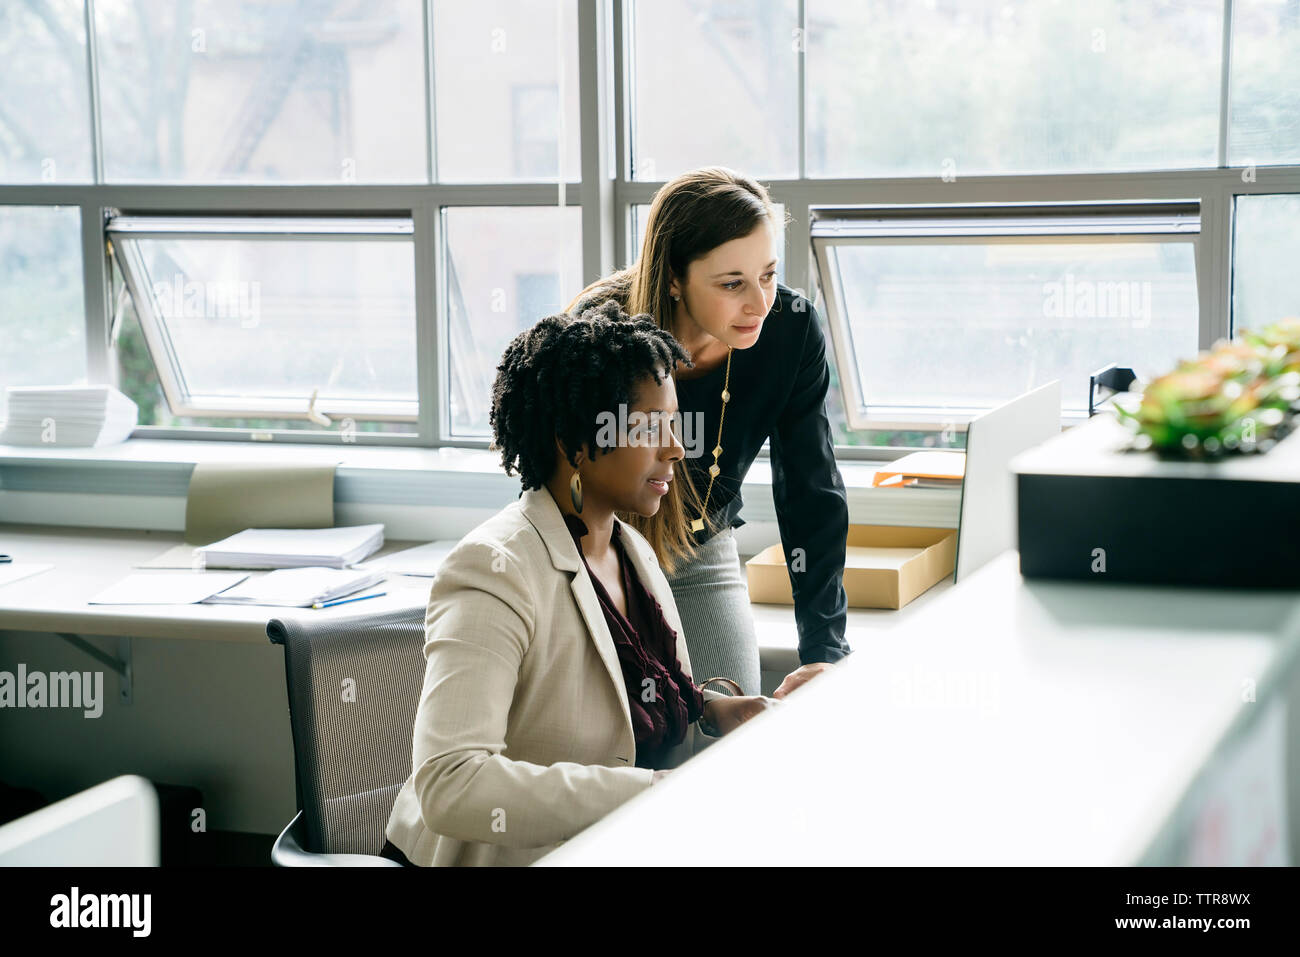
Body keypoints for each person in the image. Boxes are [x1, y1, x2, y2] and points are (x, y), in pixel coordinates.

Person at [382, 301, 773, 867]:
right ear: (574, 442)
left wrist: (712, 712)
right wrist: (649, 797)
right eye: (650, 428)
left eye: (675, 424)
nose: (676, 448)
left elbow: (625, 698)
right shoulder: (493, 572)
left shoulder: (632, 552)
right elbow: (451, 783)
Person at [567, 166, 850, 700]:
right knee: (619, 733)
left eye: (768, 274)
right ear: (675, 277)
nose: (760, 303)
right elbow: (563, 483)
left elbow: (811, 496)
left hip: (698, 549)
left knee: (732, 725)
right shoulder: (603, 329)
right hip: (596, 553)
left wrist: (826, 650)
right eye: (732, 284)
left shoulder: (790, 332)